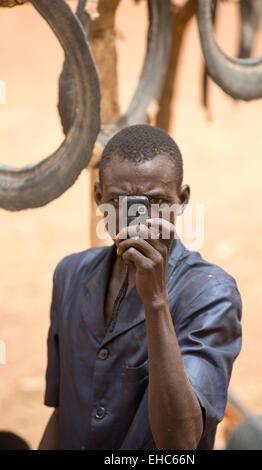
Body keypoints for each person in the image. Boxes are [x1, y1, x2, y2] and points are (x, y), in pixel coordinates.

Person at [39, 124, 242, 450]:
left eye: (156, 201)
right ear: (98, 198)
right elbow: (63, 415)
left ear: (182, 200)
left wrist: (157, 300)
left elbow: (180, 444)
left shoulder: (210, 294)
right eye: (120, 201)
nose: (137, 219)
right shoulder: (71, 276)